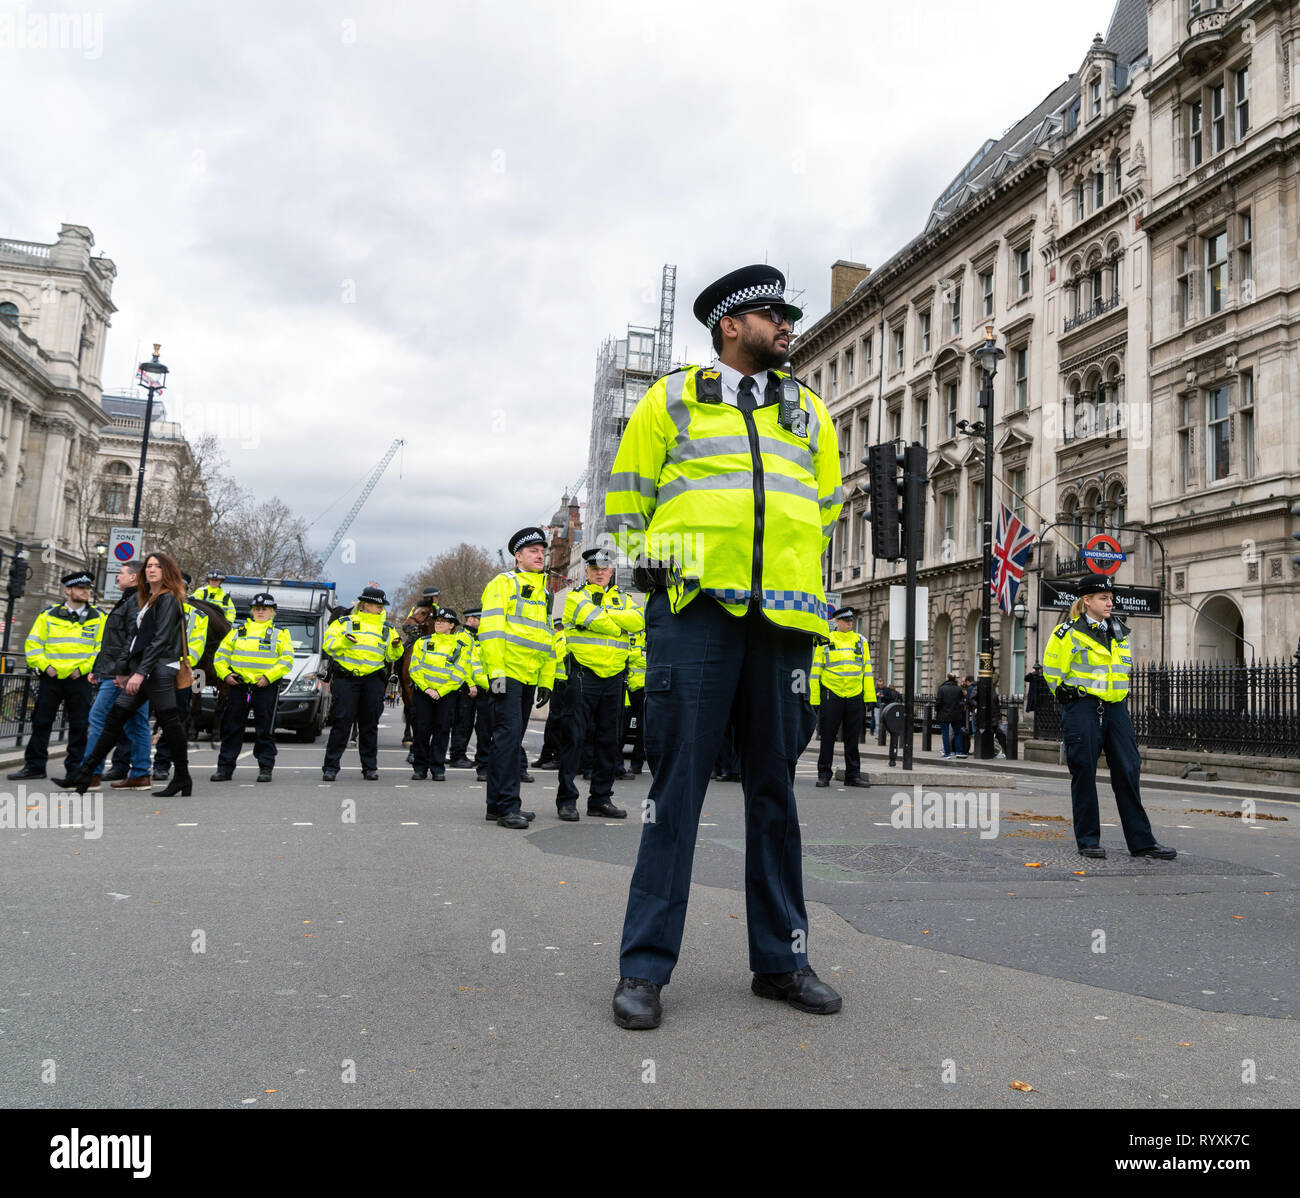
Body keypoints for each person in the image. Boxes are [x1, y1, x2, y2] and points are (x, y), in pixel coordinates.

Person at [606, 264, 843, 1029]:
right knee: (676, 792)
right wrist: (674, 590)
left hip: (782, 622)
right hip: (696, 615)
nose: (788, 328)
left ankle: (783, 960)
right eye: (776, 316)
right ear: (730, 326)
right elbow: (625, 509)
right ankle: (644, 970)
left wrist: (783, 571)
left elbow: (826, 505)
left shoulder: (809, 410)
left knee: (775, 797)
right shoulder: (670, 397)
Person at [1042, 575, 1175, 861]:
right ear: (1086, 600)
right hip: (1082, 707)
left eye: (1110, 597)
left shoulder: (1119, 631)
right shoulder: (1066, 632)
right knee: (1084, 771)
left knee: (1129, 770)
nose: (1109, 602)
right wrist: (1064, 691)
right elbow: (1051, 670)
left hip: (1116, 709)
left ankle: (1142, 842)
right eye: (1103, 597)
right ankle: (1088, 840)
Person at [71, 551, 192, 797]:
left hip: (158, 670)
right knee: (116, 719)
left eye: (158, 566)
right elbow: (135, 638)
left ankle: (182, 777)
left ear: (167, 571)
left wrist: (140, 673)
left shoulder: (168, 599)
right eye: (149, 566)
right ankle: (84, 777)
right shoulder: (148, 599)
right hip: (146, 670)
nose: (152, 570)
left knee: (169, 723)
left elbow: (159, 641)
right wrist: (124, 668)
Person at [555, 547, 642, 821]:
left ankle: (600, 799)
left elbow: (638, 621)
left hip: (615, 676)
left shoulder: (625, 598)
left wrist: (604, 618)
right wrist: (618, 623)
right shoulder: (575, 597)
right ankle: (567, 800)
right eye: (595, 568)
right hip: (584, 675)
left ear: (612, 571)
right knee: (575, 738)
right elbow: (593, 617)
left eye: (605, 568)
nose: (600, 572)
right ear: (586, 571)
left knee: (609, 741)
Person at [478, 527, 556, 827]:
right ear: (518, 556)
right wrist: (496, 673)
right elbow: (492, 631)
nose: (540, 555)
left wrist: (546, 680)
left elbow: (547, 638)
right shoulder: (503, 583)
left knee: (509, 742)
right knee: (508, 742)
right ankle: (508, 806)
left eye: (542, 551)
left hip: (528, 676)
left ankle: (497, 804)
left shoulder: (544, 591)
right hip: (508, 674)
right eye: (533, 551)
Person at [53, 560, 153, 790]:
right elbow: (113, 641)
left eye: (121, 573)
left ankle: (91, 774)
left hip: (120, 674)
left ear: (134, 578)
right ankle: (140, 774)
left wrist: (122, 671)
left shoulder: (136, 601)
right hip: (118, 671)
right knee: (136, 724)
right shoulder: (131, 600)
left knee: (98, 718)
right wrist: (100, 669)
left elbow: (133, 640)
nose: (117, 577)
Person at [8, 571, 104, 783]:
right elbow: (33, 644)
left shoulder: (98, 617)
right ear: (68, 591)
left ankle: (75, 768)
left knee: (79, 725)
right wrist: (45, 666)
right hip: (51, 677)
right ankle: (34, 766)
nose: (85, 592)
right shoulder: (48, 615)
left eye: (88, 589)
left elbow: (100, 649)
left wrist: (84, 668)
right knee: (41, 721)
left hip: (79, 679)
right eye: (80, 588)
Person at [321, 586, 403, 781]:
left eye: (382, 606)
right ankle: (331, 767)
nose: (381, 609)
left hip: (372, 680)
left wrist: (396, 647)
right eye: (377, 605)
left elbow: (391, 656)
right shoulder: (345, 622)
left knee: (369, 725)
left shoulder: (387, 629)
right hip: (347, 678)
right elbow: (328, 645)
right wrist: (345, 643)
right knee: (341, 722)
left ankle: (370, 767)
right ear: (365, 605)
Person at [211, 592, 294, 783]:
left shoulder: (280, 633)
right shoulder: (238, 630)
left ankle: (265, 767)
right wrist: (225, 675)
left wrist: (268, 676)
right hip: (239, 685)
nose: (260, 612)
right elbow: (220, 656)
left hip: (265, 686)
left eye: (265, 609)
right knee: (232, 727)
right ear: (251, 611)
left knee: (265, 728)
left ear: (273, 612)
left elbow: (287, 660)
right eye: (257, 609)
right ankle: (224, 769)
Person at [153, 572, 210, 783]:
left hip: (178, 672)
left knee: (174, 720)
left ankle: (162, 764)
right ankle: (128, 764)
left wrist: (178, 663)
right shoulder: (152, 608)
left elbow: (197, 645)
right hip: (150, 670)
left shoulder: (197, 616)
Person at [811, 606, 875, 788]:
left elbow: (867, 671)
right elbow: (815, 672)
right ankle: (824, 774)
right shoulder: (825, 641)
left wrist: (869, 697)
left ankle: (852, 775)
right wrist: (815, 699)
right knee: (827, 737)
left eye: (851, 621)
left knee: (852, 739)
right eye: (846, 621)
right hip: (832, 694)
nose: (850, 623)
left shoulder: (861, 642)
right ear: (837, 622)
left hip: (854, 695)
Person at [408, 607, 470, 781]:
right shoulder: (423, 641)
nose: (439, 623)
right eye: (437, 620)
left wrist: (440, 691)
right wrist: (426, 688)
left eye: (443, 621)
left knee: (442, 731)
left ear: (452, 625)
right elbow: (415, 667)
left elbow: (459, 673)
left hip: (446, 695)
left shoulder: (459, 646)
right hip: (423, 693)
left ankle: (437, 768)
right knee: (421, 730)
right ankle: (420, 768)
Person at [447, 607, 487, 770]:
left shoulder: (477, 637)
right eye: (480, 619)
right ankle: (457, 755)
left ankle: (468, 755)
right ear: (471, 619)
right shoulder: (462, 637)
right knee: (463, 721)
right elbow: (461, 663)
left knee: (473, 723)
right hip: (466, 686)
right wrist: (470, 683)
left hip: (479, 685)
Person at [534, 617, 569, 770]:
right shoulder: (557, 638)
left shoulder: (563, 637)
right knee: (552, 723)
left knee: (558, 723)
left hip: (564, 684)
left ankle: (558, 757)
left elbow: (558, 655)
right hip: (556, 683)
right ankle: (546, 755)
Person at [622, 629, 646, 775]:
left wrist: (632, 657)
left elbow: (652, 660)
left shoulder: (650, 638)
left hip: (645, 689)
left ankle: (636, 765)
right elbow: (622, 656)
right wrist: (639, 656)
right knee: (621, 728)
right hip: (628, 688)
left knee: (643, 730)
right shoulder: (629, 637)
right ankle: (616, 764)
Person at [935, 672, 967, 759]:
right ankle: (959, 752)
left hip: (944, 714)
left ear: (947, 679)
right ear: (955, 679)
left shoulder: (942, 689)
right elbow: (961, 700)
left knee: (945, 734)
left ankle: (947, 753)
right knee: (958, 733)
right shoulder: (958, 689)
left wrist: (937, 711)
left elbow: (938, 702)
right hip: (956, 714)